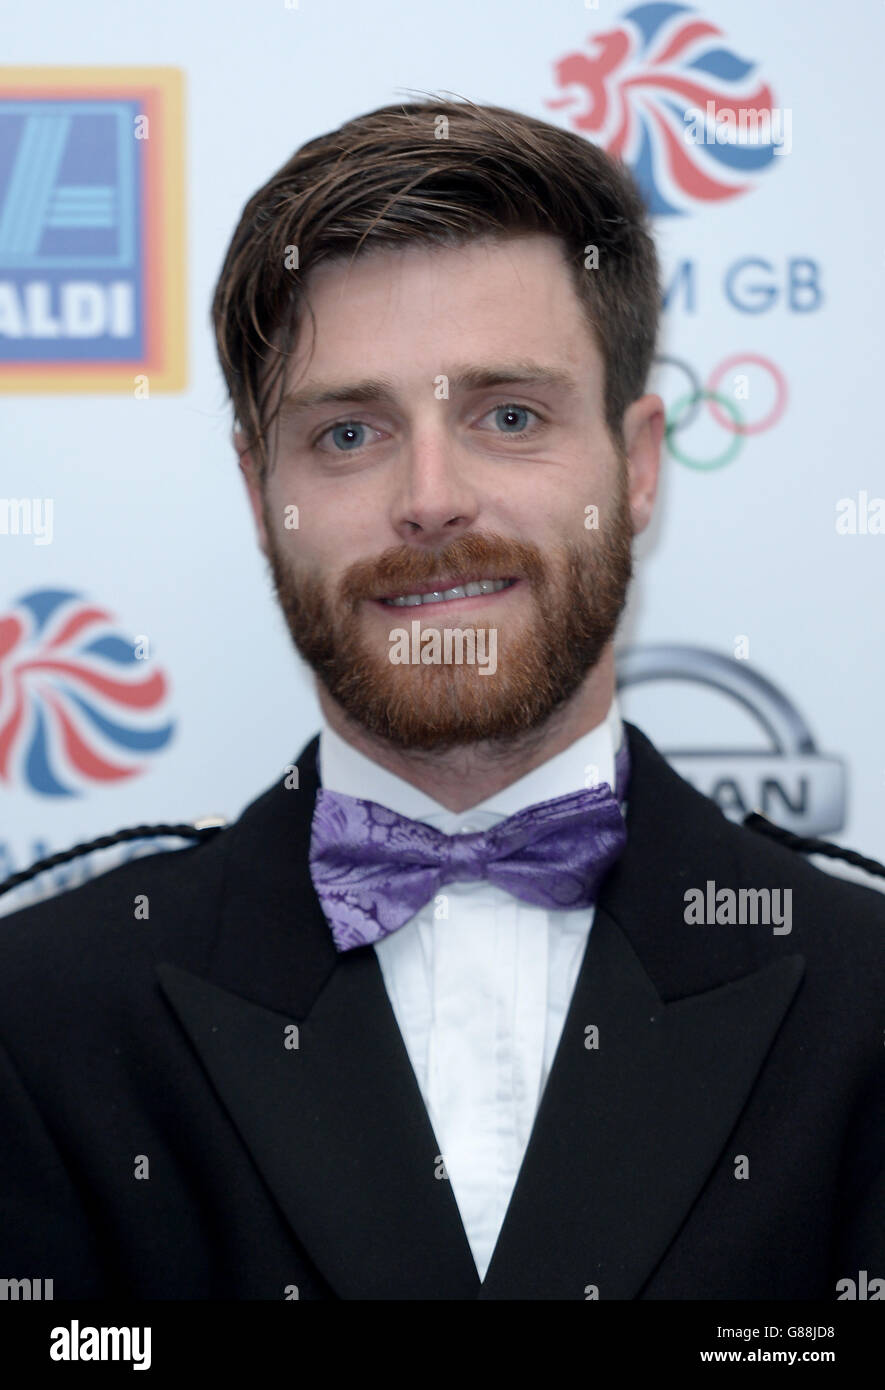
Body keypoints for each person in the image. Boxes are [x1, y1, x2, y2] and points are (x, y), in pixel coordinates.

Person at [0, 97, 883, 1302]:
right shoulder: (39, 1016)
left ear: (634, 467)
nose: (431, 497)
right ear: (262, 496)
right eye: (351, 432)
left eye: (508, 415)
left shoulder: (864, 998)